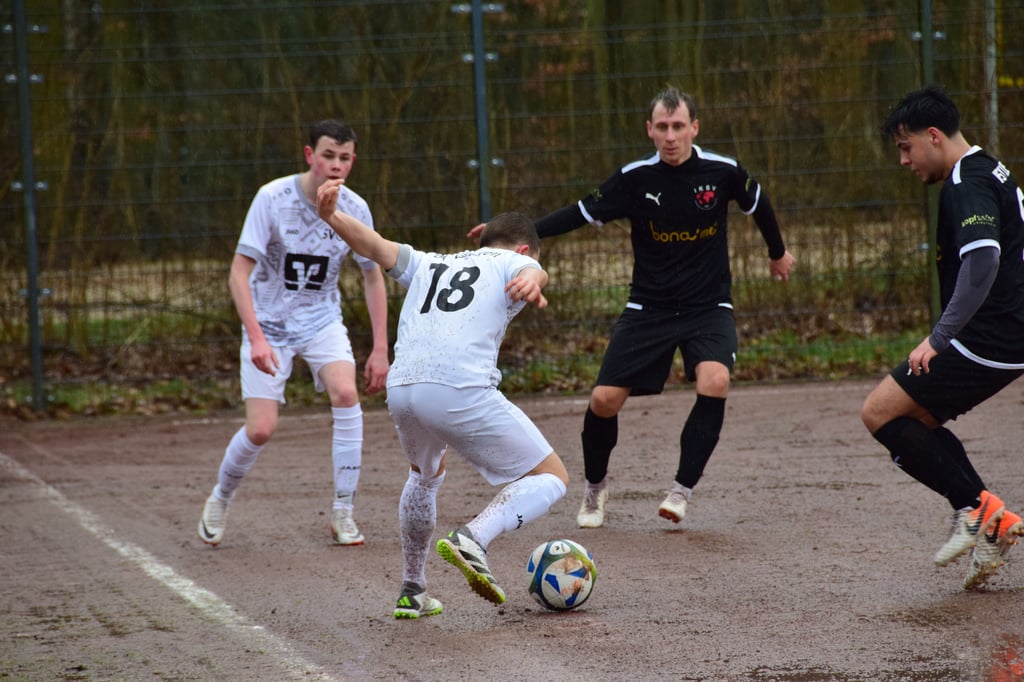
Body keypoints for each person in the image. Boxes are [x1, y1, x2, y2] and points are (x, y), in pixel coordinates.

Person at [470, 86, 794, 528]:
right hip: (649, 307)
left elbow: (760, 205)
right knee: (603, 400)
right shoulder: (635, 178)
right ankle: (595, 489)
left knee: (714, 379)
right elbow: (577, 213)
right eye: (662, 127)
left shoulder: (724, 172)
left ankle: (681, 491)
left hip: (707, 305)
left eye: (679, 126)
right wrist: (512, 235)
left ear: (694, 128)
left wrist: (777, 253)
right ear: (649, 130)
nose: (671, 135)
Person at [315, 182, 568, 619]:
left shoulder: (430, 262)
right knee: (553, 477)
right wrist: (532, 275)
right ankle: (475, 537)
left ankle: (413, 589)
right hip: (456, 388)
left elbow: (372, 246)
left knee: (426, 474)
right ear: (526, 249)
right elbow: (532, 273)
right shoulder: (516, 262)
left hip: (403, 389)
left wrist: (331, 216)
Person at [197, 119, 390, 548]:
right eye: (327, 156)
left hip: (320, 320)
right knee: (262, 428)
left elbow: (373, 276)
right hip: (267, 325)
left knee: (346, 393)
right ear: (309, 156)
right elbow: (238, 274)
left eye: (344, 158)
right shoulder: (273, 198)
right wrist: (257, 338)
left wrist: (380, 349)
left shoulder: (355, 209)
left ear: (353, 161)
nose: (335, 165)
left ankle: (343, 512)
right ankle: (221, 496)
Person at [862, 84, 1024, 589]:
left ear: (933, 136)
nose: (905, 161)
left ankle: (975, 508)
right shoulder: (988, 167)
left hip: (991, 336)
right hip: (1005, 333)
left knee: (879, 412)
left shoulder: (965, 182)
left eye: (906, 148)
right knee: (917, 421)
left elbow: (985, 258)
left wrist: (939, 338)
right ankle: (987, 518)